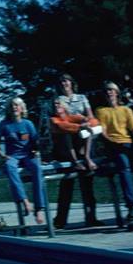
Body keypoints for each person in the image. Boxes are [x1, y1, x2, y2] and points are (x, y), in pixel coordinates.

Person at [49, 98, 102, 228]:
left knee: (87, 187)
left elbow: (92, 121)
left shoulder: (72, 117)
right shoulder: (54, 120)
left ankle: (91, 217)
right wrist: (80, 126)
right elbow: (62, 127)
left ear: (65, 107)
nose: (57, 106)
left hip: (80, 155)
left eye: (59, 104)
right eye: (54, 104)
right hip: (64, 157)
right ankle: (60, 220)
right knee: (66, 189)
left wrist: (86, 123)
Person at [95, 81, 133, 224]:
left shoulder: (126, 110)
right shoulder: (101, 111)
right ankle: (131, 206)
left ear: (117, 92)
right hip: (113, 145)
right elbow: (103, 133)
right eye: (106, 90)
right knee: (123, 163)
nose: (109, 92)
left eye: (111, 90)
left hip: (127, 144)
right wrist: (112, 142)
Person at [0, 98, 46, 225]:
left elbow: (35, 142)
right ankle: (25, 201)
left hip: (27, 155)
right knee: (10, 168)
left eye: (17, 105)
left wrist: (36, 151)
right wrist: (2, 156)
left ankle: (39, 208)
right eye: (12, 105)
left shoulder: (28, 124)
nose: (14, 107)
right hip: (12, 156)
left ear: (22, 108)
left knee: (37, 168)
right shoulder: (4, 124)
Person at [56, 75, 100, 171]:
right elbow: (62, 118)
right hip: (70, 128)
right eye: (61, 82)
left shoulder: (82, 97)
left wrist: (85, 121)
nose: (64, 84)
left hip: (84, 127)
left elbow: (90, 115)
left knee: (90, 126)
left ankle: (87, 157)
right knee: (65, 132)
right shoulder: (59, 100)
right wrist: (78, 124)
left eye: (65, 81)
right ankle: (74, 161)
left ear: (71, 82)